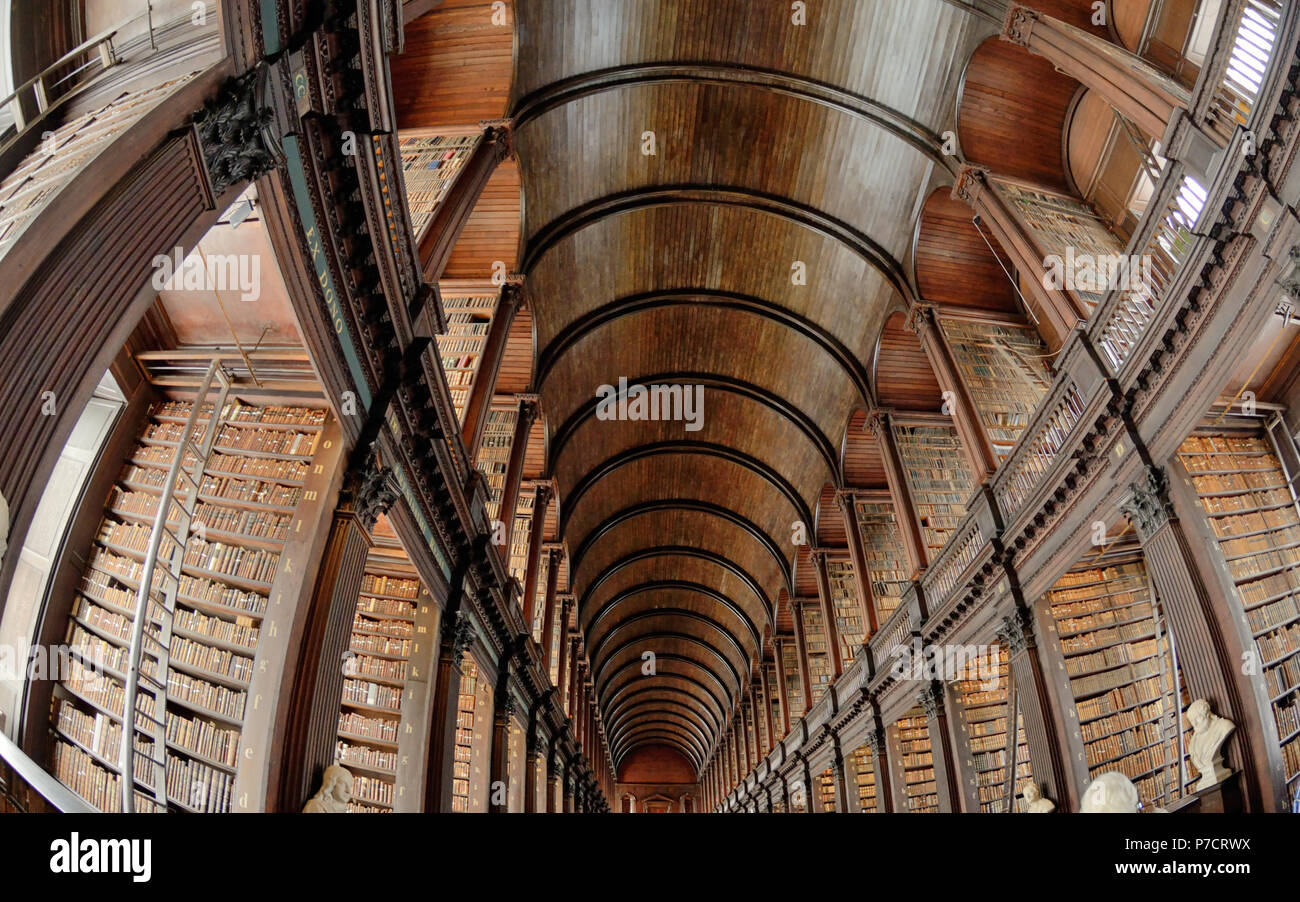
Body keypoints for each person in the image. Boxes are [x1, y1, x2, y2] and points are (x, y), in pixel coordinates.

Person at [1186, 698, 1234, 790]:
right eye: (1192, 721)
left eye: (1197, 718)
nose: (1195, 723)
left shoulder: (1224, 726)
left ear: (1207, 714)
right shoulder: (1193, 743)